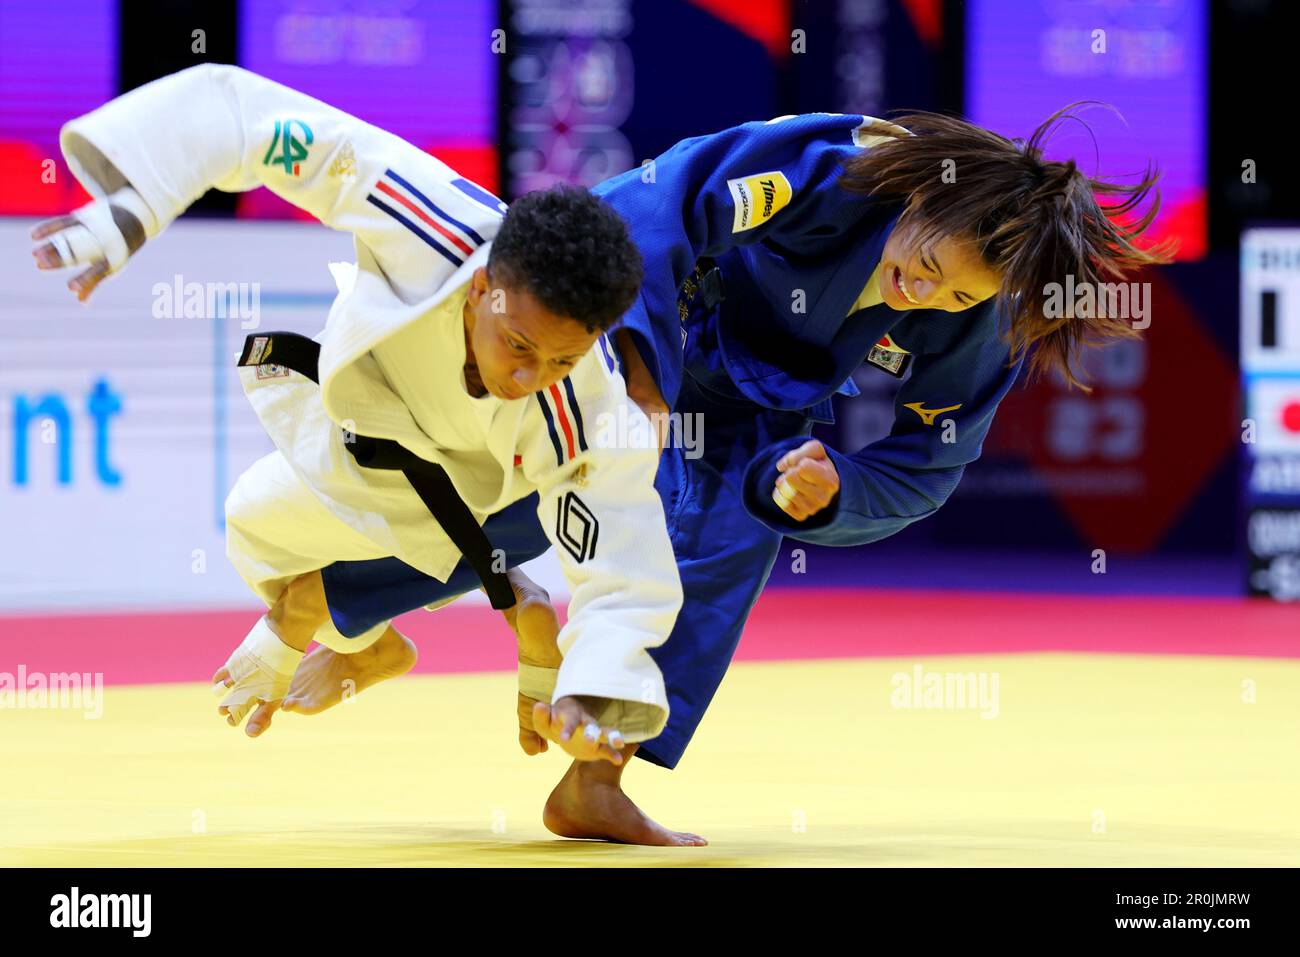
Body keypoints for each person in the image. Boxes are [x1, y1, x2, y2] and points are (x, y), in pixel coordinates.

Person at [291, 107, 1169, 846]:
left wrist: (832, 494)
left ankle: (595, 778)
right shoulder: (827, 166)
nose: (920, 297)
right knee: (515, 504)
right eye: (927, 267)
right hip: (632, 320)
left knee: (720, 549)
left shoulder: (974, 320)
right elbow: (666, 201)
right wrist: (638, 372)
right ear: (924, 195)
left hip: (755, 407)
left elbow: (923, 469)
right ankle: (335, 606)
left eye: (951, 298)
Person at [28, 63, 687, 770]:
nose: (530, 378)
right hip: (373, 447)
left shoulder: (586, 405)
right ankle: (374, 643)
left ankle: (489, 599)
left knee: (563, 512)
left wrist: (591, 697)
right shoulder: (430, 219)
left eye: (561, 361)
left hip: (495, 495)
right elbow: (258, 123)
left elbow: (624, 565)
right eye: (518, 345)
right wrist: (136, 207)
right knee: (252, 521)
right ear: (481, 287)